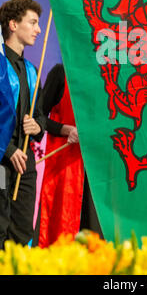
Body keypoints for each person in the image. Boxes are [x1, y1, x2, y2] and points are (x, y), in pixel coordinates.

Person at [38, 63, 102, 247]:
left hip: (96, 171)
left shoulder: (105, 75)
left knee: (94, 234)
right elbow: (38, 116)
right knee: (61, 230)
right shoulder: (61, 71)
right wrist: (65, 129)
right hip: (64, 168)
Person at [0, 0, 46, 249]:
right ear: (13, 25)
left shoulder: (32, 71)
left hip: (25, 164)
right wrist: (8, 150)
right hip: (2, 160)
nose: (38, 29)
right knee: (0, 224)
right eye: (33, 22)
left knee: (22, 229)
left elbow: (40, 116)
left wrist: (37, 126)